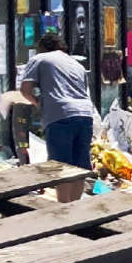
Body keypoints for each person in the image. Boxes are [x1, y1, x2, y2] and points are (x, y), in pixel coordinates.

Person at [19, 29, 96, 170]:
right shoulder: (77, 65)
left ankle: (64, 193)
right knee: (81, 167)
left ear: (42, 48)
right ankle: (76, 192)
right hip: (85, 115)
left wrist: (38, 103)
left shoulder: (40, 59)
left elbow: (25, 89)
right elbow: (84, 92)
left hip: (60, 116)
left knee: (61, 167)